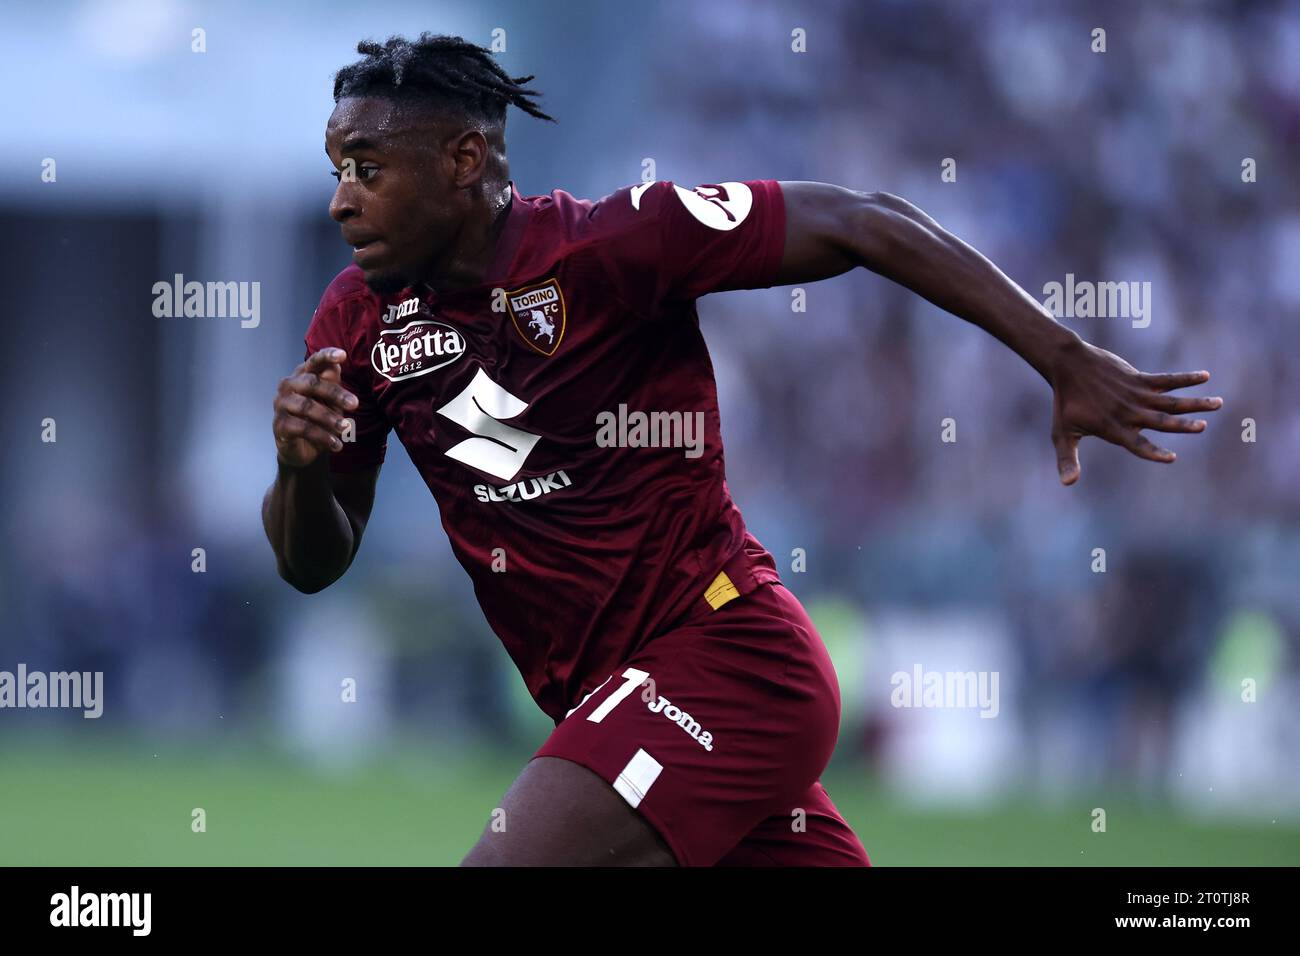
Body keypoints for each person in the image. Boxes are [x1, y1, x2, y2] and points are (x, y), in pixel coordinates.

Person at [262, 33, 1222, 866]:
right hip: (616, 705)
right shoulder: (355, 318)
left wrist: (1060, 356)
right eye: (335, 168)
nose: (343, 200)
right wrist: (300, 471)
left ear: (466, 160)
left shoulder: (612, 247)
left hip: (728, 659)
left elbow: (865, 221)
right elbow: (316, 559)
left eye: (369, 167)